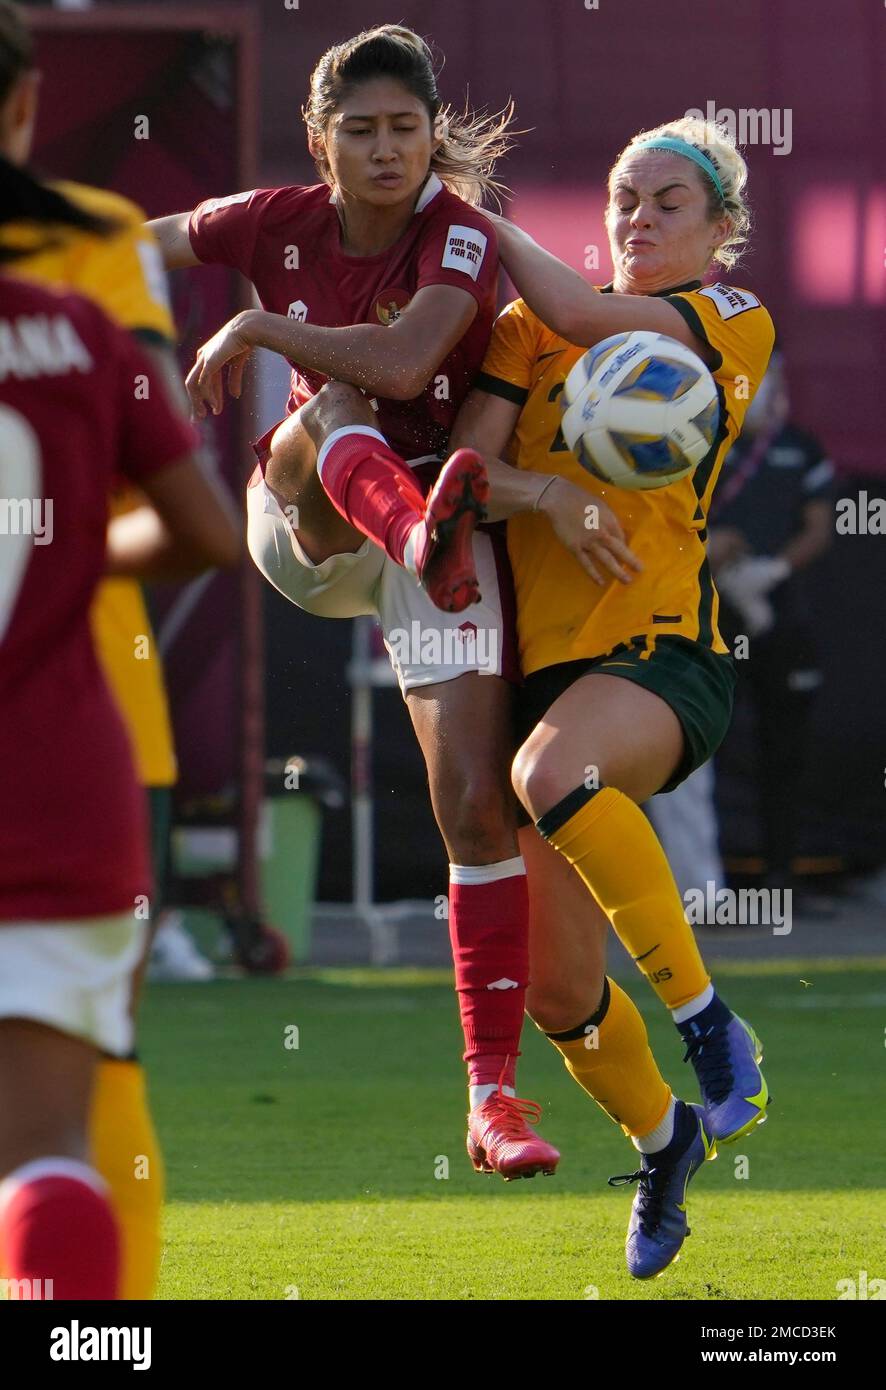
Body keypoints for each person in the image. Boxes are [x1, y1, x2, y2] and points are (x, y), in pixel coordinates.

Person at [300, 114, 774, 1276]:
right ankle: (663, 1139)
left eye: (669, 202)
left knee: (551, 773)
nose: (637, 218)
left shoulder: (722, 318)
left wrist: (470, 232)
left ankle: (714, 1028)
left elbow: (579, 312)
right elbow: (471, 470)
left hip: (663, 655)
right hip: (540, 674)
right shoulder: (525, 331)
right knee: (555, 987)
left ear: (720, 232)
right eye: (622, 196)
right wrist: (546, 499)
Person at [149, 24, 559, 1179]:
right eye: (363, 130)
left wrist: (258, 323)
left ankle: (492, 1101)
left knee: (477, 809)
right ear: (320, 142)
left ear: (432, 134)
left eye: (406, 127)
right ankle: (416, 527)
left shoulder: (462, 237)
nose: (388, 150)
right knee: (332, 411)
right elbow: (145, 239)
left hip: (439, 539)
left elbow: (409, 354)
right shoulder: (273, 219)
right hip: (314, 527)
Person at [0, 0, 239, 1298]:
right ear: (26, 104)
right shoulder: (85, 263)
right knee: (66, 1111)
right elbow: (190, 511)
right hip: (69, 726)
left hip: (86, 711)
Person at [709, 348, 834, 896]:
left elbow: (820, 526)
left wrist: (775, 567)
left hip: (777, 616)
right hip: (709, 615)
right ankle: (698, 881)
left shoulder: (799, 446)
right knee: (692, 747)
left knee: (785, 750)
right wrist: (713, 554)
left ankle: (780, 877)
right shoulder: (702, 438)